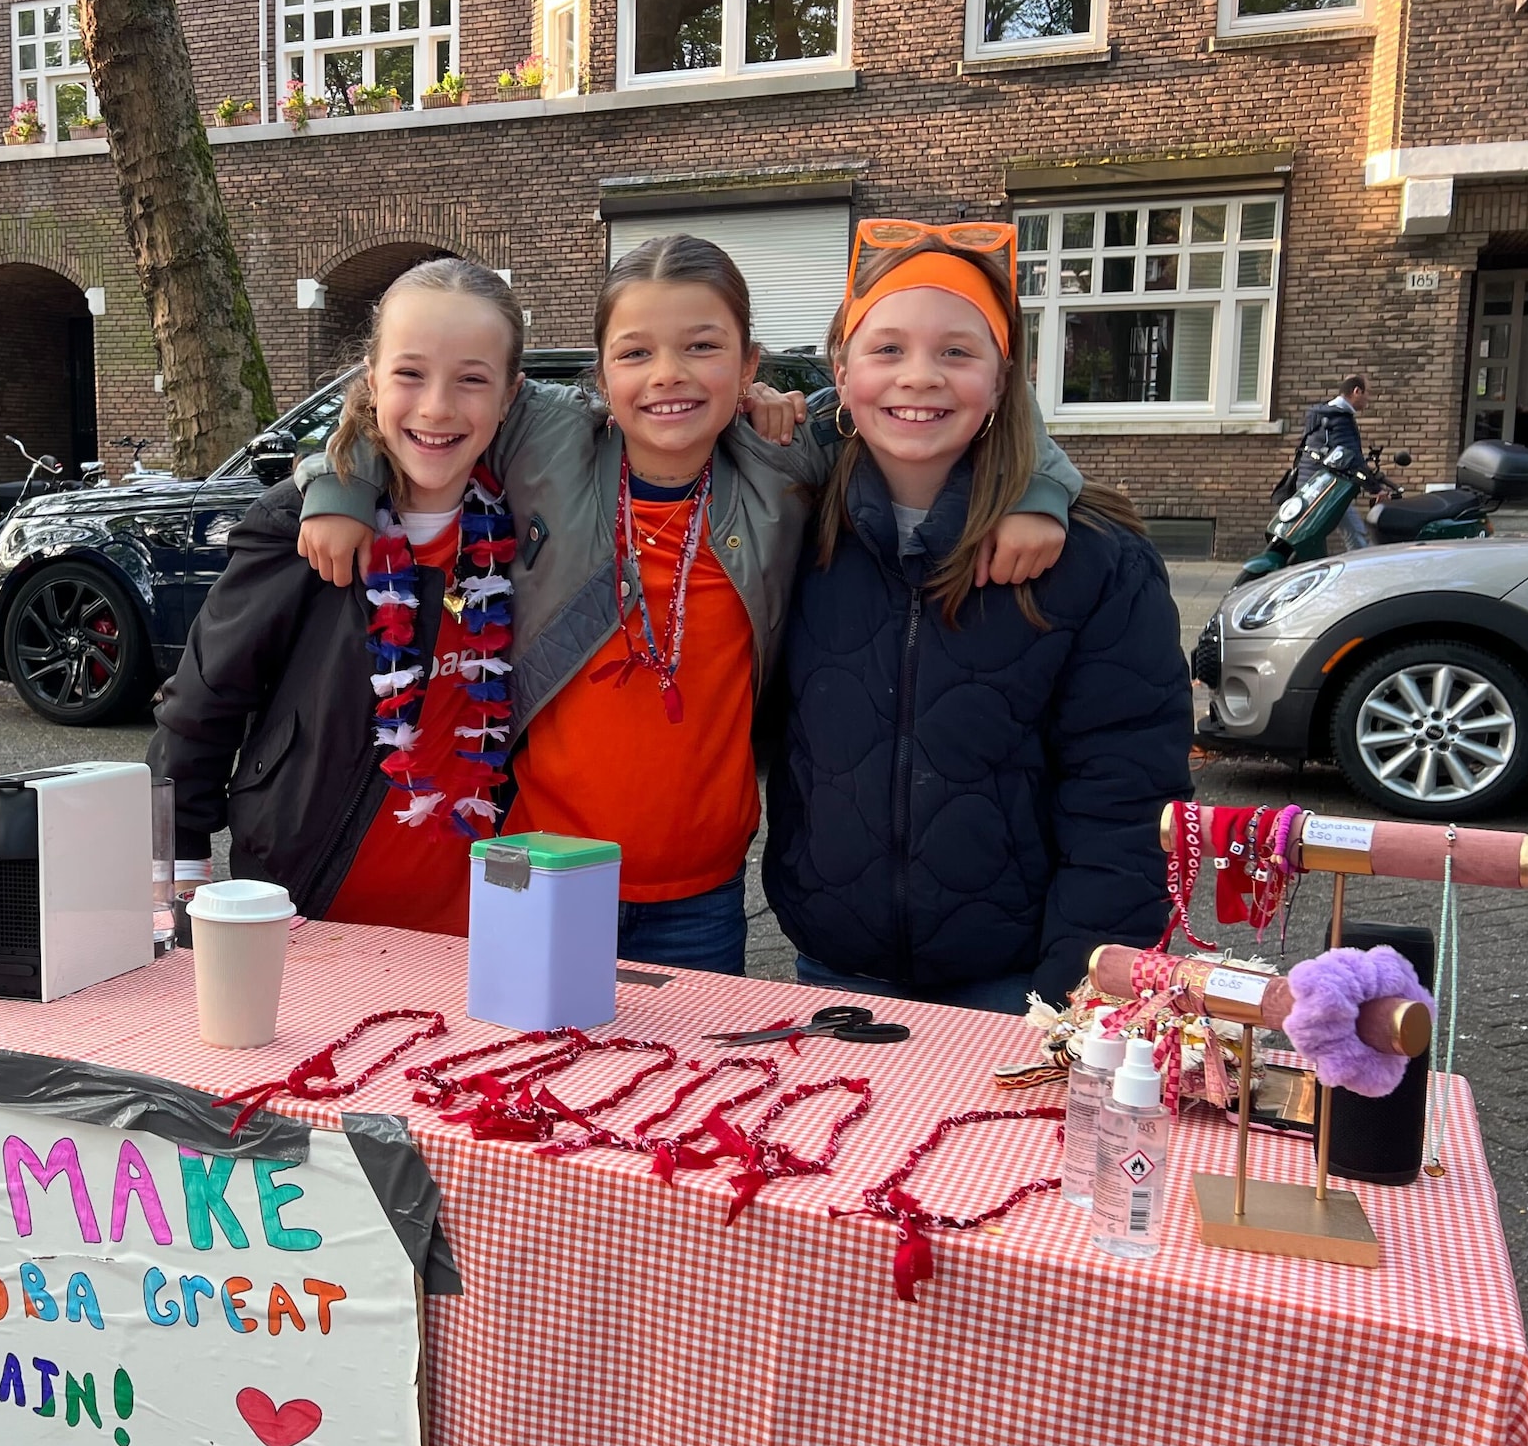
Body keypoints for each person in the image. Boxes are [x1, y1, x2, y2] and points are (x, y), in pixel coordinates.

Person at [297, 233, 1086, 976]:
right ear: (601, 377)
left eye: (702, 347)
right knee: (514, 1086)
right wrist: (339, 485)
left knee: (674, 1108)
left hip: (699, 898)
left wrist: (1038, 490)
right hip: (530, 864)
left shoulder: (787, 460)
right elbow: (423, 397)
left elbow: (960, 402)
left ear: (750, 366)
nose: (668, 373)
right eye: (635, 353)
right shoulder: (544, 436)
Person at [762, 221, 1194, 1013]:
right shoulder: (793, 527)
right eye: (887, 349)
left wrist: (1081, 993)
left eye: (957, 352)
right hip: (832, 969)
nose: (919, 377)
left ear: (1003, 380)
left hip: (1020, 985)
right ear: (841, 370)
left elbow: (1126, 800)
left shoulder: (1097, 561)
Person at [148, 258, 524, 934]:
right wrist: (177, 868)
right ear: (371, 379)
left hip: (485, 926)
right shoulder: (297, 526)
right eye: (410, 374)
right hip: (312, 914)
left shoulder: (526, 522)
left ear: (509, 395)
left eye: (472, 380)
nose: (438, 406)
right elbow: (204, 701)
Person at [1293, 374, 1370, 549]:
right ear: (1356, 391)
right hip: (1326, 487)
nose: (1368, 399)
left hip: (1307, 483)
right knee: (1355, 533)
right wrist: (1375, 488)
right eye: (1367, 393)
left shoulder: (1322, 413)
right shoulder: (1340, 418)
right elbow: (1353, 459)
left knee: (1311, 535)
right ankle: (1362, 572)